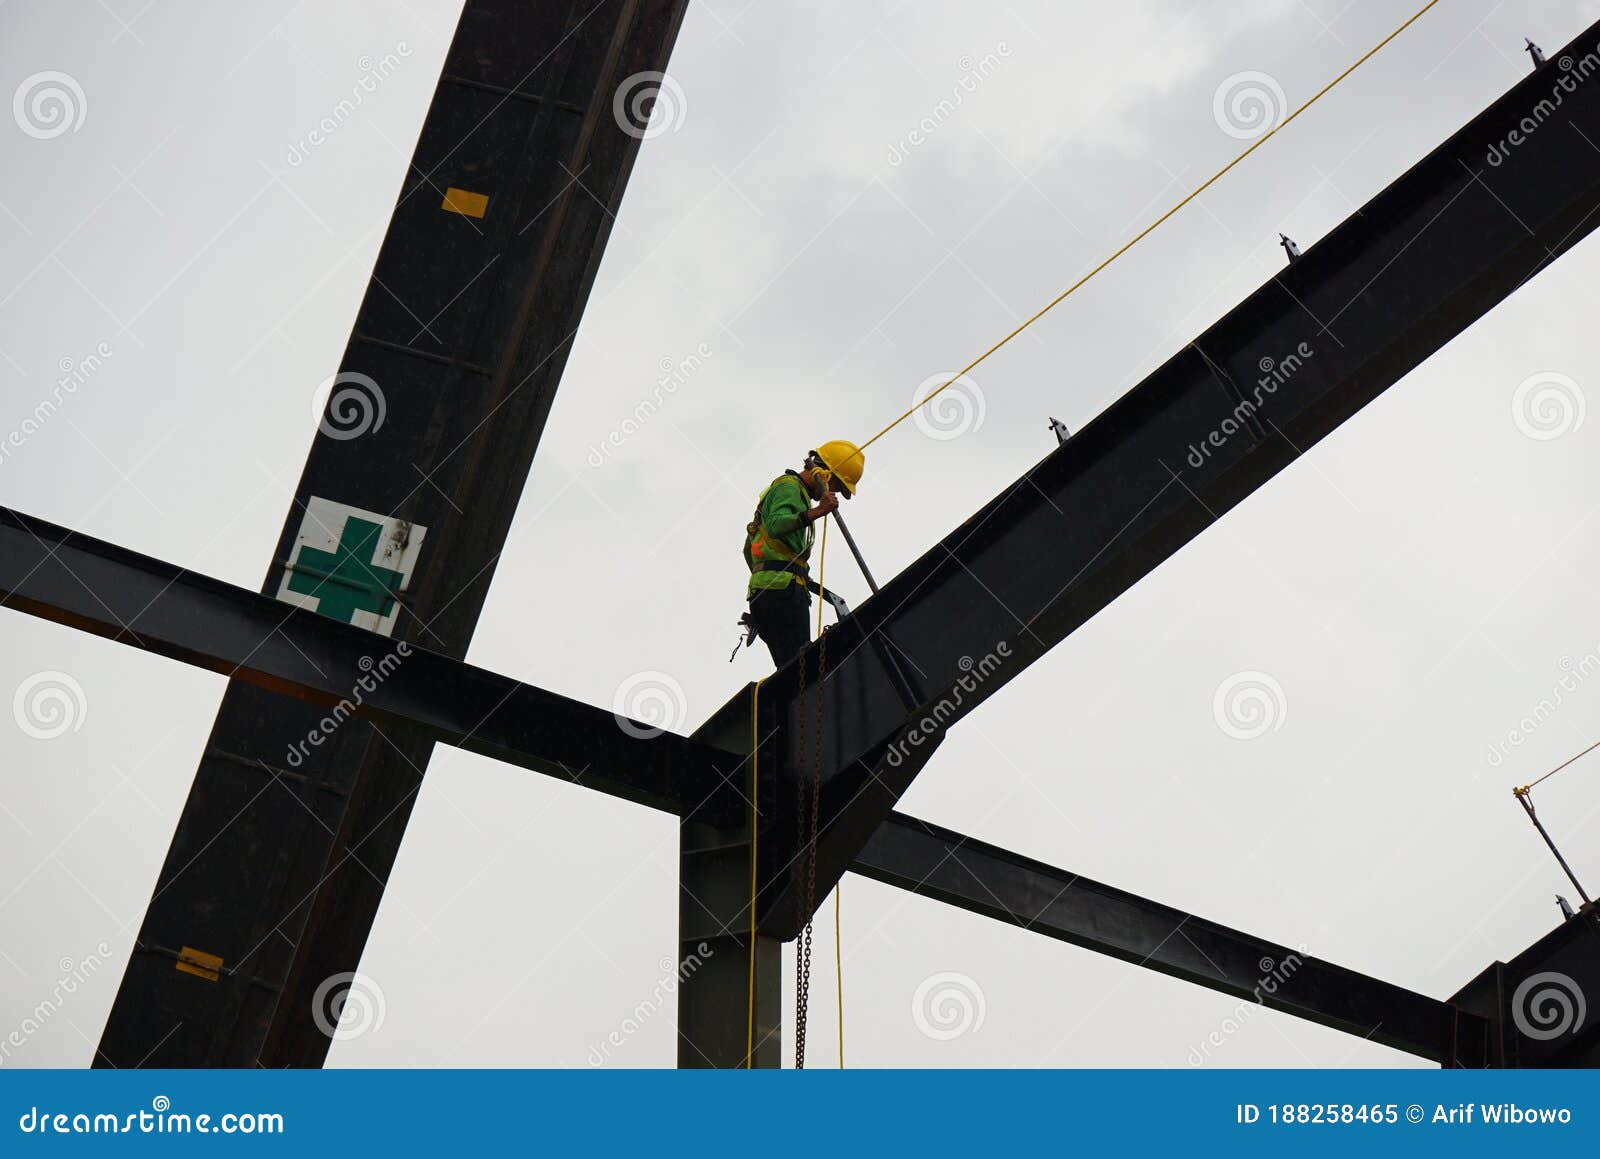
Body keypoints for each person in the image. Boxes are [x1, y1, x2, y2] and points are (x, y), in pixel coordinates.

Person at [741, 440, 865, 666]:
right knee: (802, 670)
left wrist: (767, 579)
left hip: (766, 593)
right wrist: (818, 511)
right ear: (825, 475)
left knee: (790, 668)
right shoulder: (789, 487)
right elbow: (776, 526)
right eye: (835, 485)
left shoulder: (789, 490)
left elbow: (748, 550)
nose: (833, 492)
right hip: (785, 593)